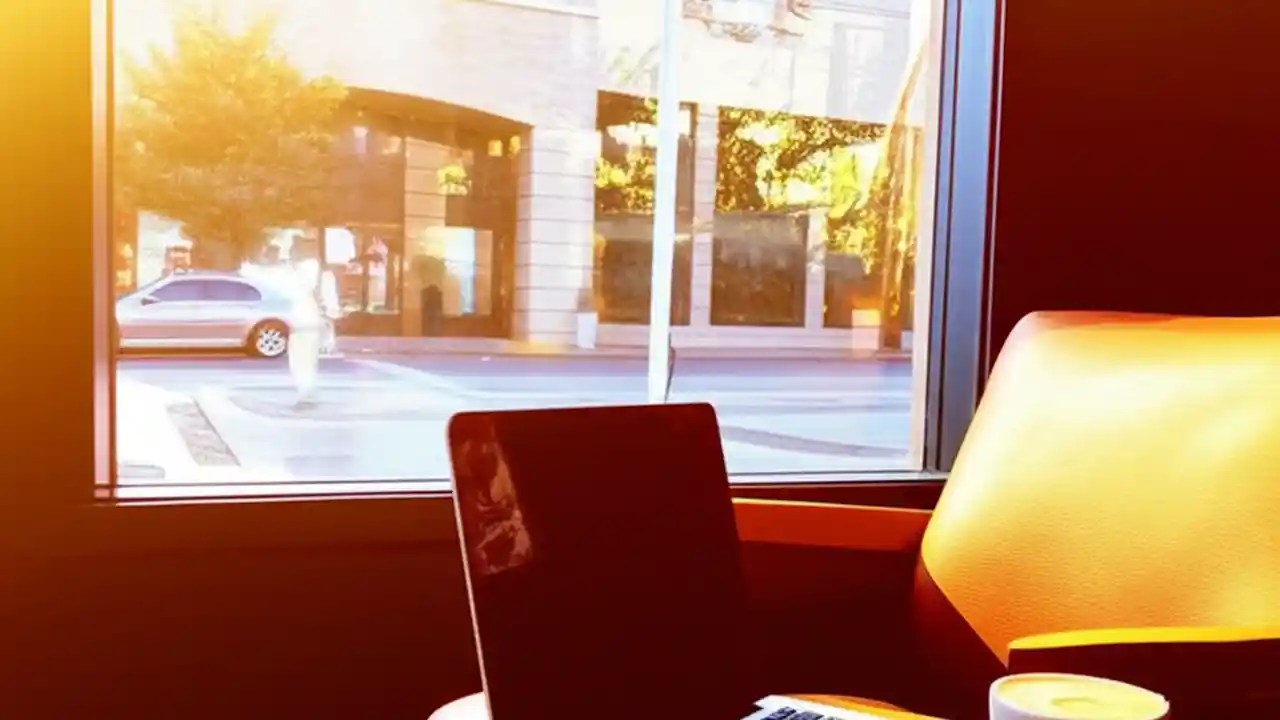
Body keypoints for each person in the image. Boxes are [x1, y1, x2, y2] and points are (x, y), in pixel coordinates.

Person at [287, 258, 324, 405]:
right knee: (305, 362)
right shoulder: (308, 287)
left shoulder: (301, 286)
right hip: (307, 327)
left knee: (302, 362)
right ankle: (306, 393)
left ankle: (306, 394)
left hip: (303, 328)